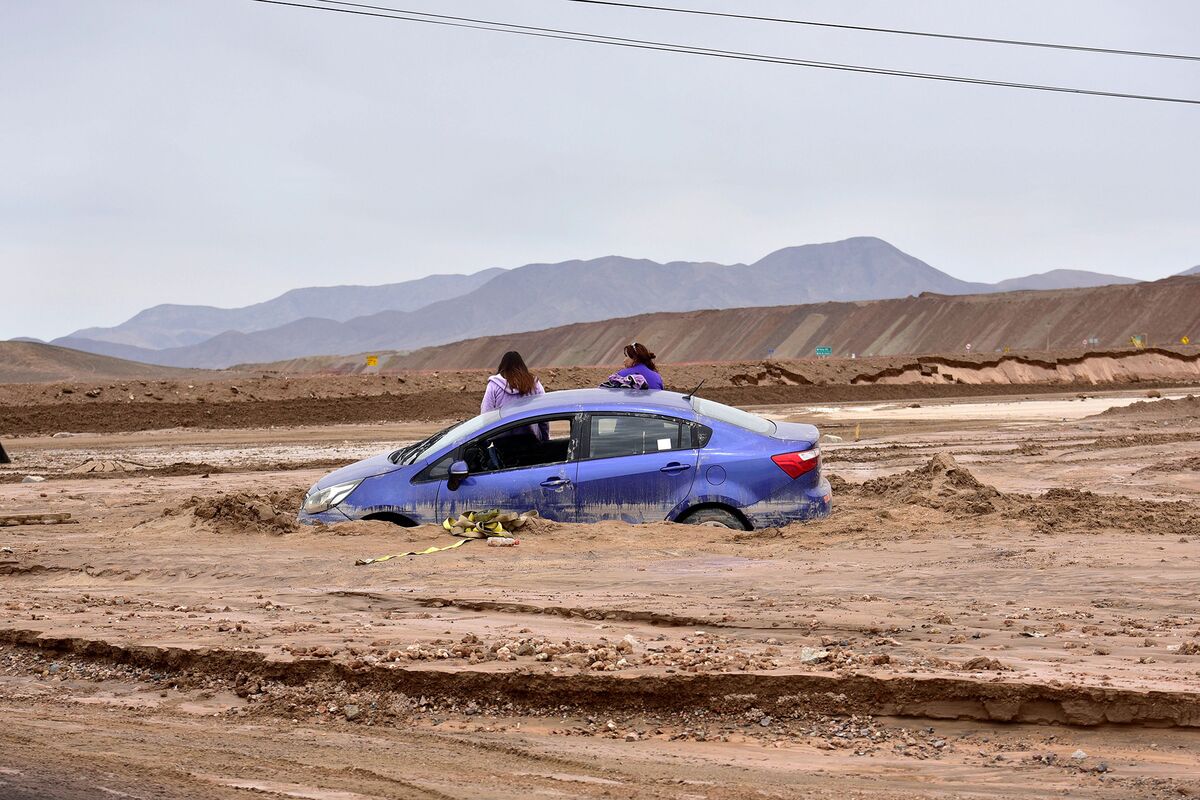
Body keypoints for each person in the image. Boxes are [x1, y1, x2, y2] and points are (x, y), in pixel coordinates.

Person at [482, 351, 548, 441]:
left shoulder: (494, 385)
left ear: (502, 365)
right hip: (531, 440)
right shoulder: (533, 384)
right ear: (522, 365)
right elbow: (544, 413)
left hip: (503, 442)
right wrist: (545, 439)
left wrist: (486, 441)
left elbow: (486, 414)